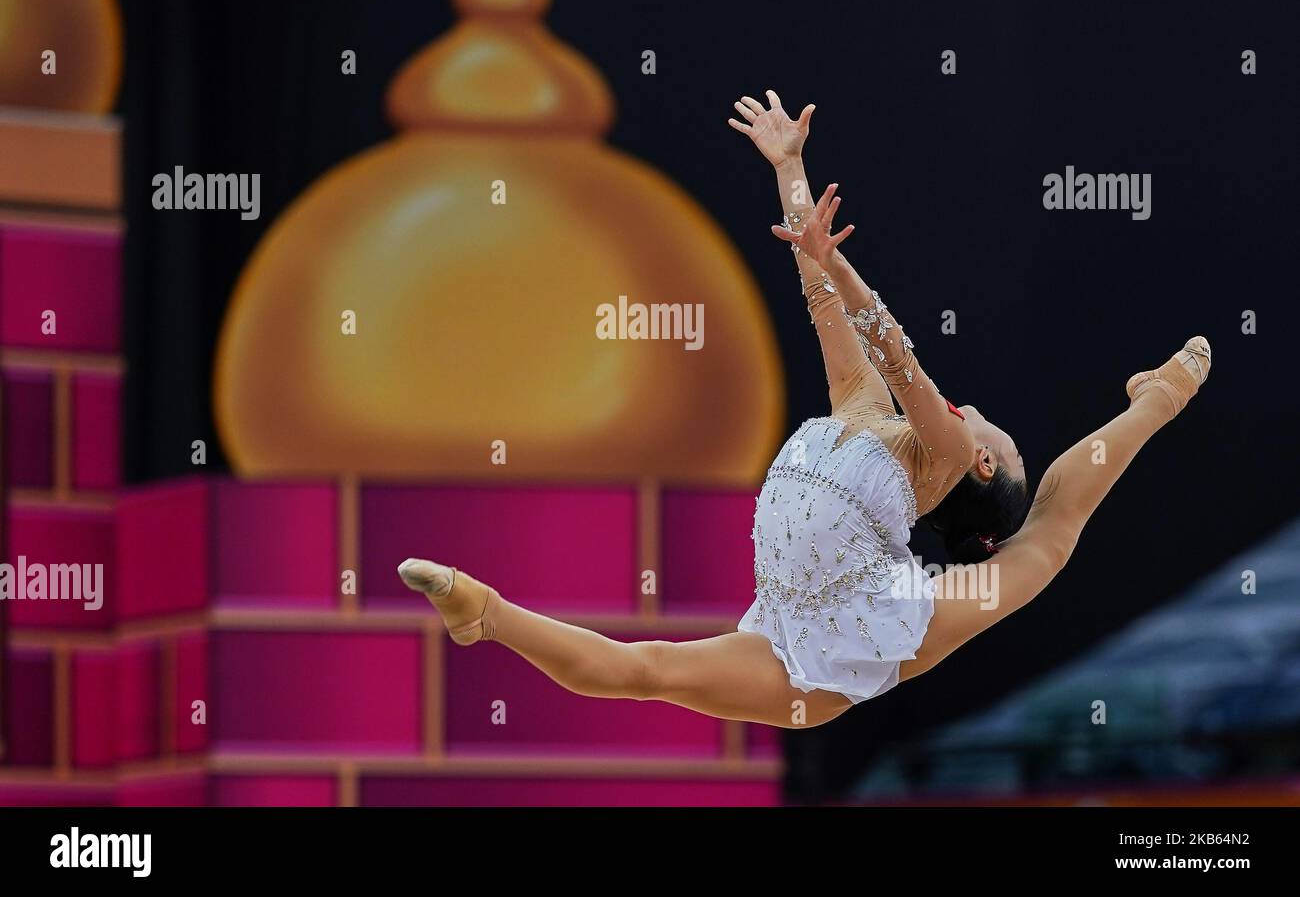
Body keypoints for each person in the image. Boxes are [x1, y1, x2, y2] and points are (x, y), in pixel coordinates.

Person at [397, 90, 1211, 729]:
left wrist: (841, 266)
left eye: (998, 436)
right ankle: (484, 615)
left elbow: (902, 356)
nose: (988, 419)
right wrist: (788, 167)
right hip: (790, 621)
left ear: (985, 460)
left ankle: (1159, 399)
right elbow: (817, 289)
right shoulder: (858, 405)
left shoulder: (946, 452)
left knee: (1047, 545)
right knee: (639, 669)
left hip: (851, 638)